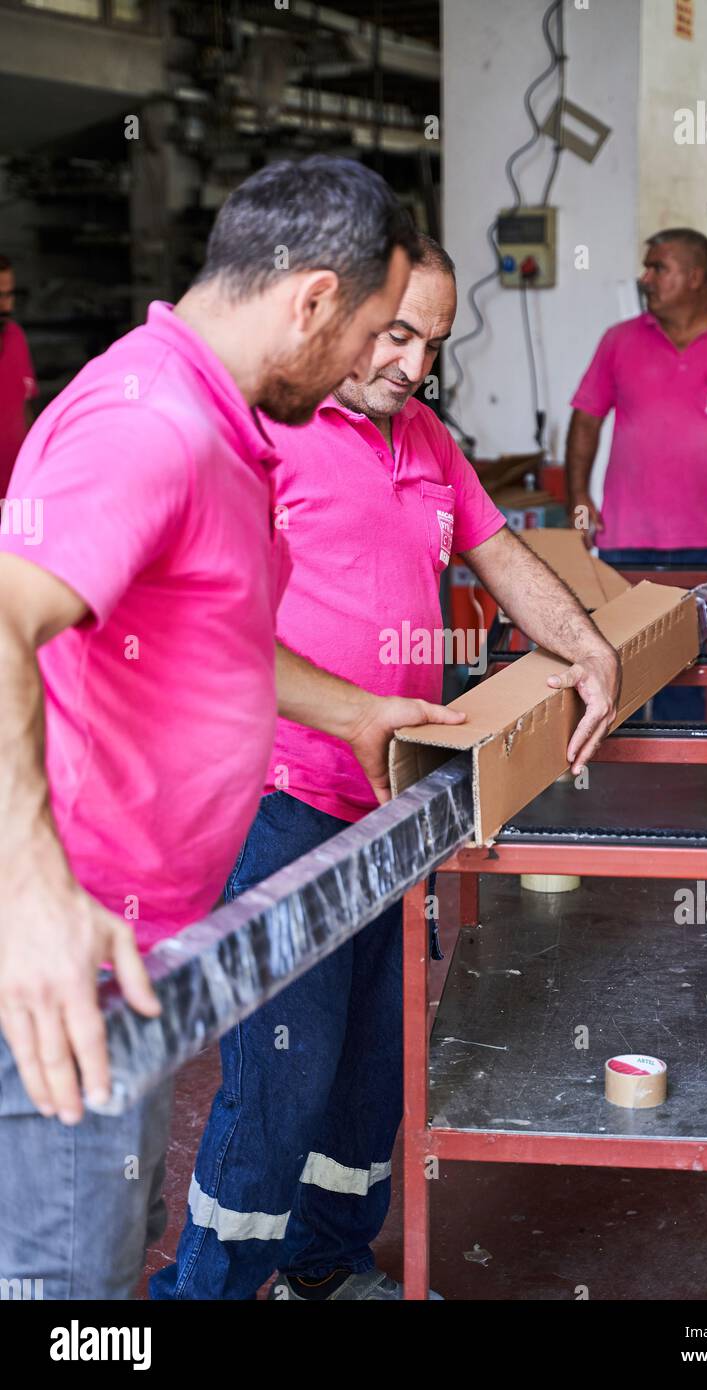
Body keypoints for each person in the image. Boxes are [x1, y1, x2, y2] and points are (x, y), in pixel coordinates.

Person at [0, 157, 471, 1301]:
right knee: (67, 1290)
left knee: (109, 1247)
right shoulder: (151, 424)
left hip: (140, 937)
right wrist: (32, 898)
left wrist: (356, 708)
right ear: (311, 300)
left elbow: (198, 628)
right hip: (66, 955)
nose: (378, 366)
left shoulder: (225, 426)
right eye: (369, 333)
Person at [152, 235, 622, 1302]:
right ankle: (209, 1289)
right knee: (286, 1071)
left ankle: (325, 1264)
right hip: (273, 803)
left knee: (373, 1063)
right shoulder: (258, 430)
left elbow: (503, 555)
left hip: (393, 803)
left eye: (435, 344)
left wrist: (588, 645)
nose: (415, 365)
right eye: (398, 334)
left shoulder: (423, 439)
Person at [565, 227, 707, 718]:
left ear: (693, 277)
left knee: (691, 673)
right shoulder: (619, 341)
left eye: (658, 268)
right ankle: (612, 773)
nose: (645, 278)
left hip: (706, 541)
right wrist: (579, 495)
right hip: (624, 540)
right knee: (617, 667)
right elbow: (585, 419)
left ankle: (683, 778)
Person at [0, 254, 38, 497]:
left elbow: (25, 410)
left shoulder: (15, 337)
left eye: (9, 294)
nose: (7, 306)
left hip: (16, 498)